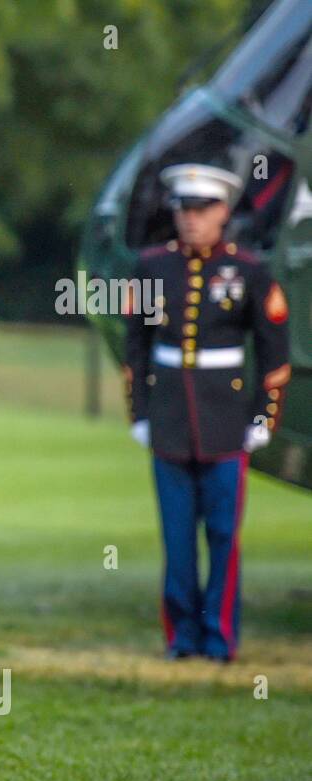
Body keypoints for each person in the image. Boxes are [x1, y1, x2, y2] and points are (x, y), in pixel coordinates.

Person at [123, 163, 291, 662]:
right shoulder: (153, 269)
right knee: (177, 541)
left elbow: (273, 354)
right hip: (171, 423)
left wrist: (264, 418)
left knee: (222, 537)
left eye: (202, 210)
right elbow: (137, 348)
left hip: (225, 425)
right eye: (184, 210)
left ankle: (219, 637)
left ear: (222, 212)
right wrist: (139, 413)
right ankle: (182, 637)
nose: (191, 220)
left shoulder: (249, 271)